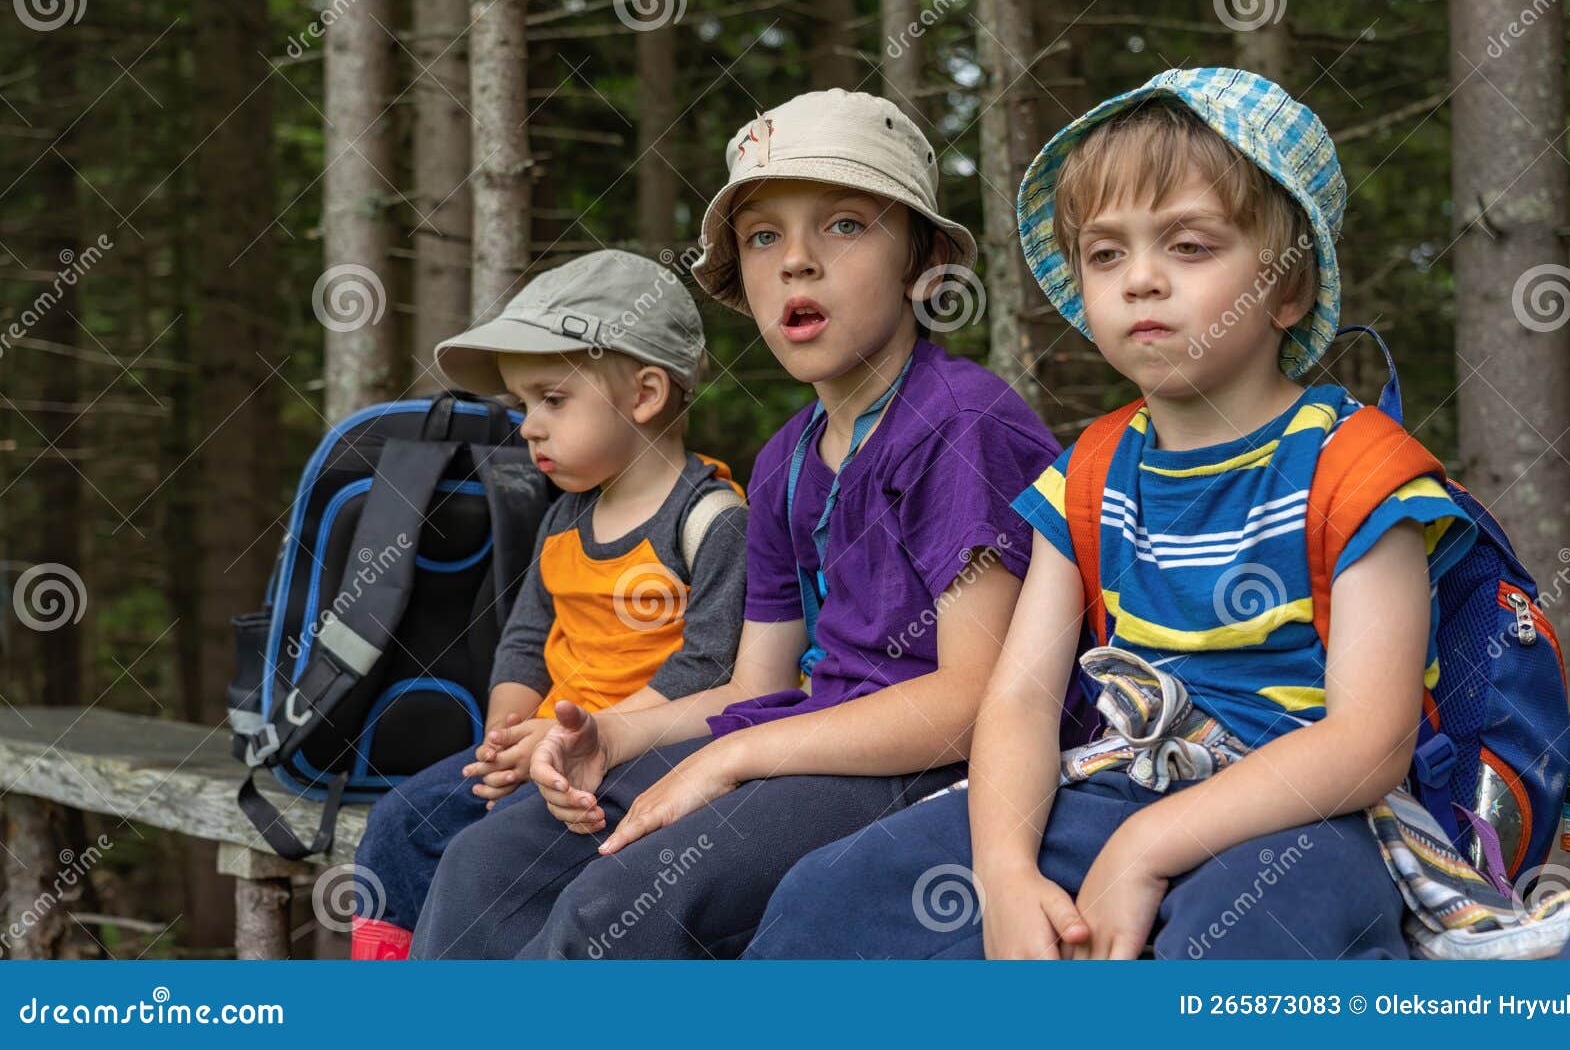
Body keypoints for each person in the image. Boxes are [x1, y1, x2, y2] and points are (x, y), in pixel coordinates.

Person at [745, 67, 1480, 960]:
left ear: (1286, 290)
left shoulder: (1358, 466)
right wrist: (1006, 868)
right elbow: (1018, 696)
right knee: (827, 899)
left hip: (1306, 811)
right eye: (1105, 254)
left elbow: (1368, 743)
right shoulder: (1089, 472)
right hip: (1117, 781)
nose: (1139, 281)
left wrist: (1145, 847)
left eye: (1189, 246)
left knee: (1249, 936)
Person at [408, 88, 1059, 959]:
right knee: (490, 864)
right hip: (806, 740)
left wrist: (732, 758)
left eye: (844, 225)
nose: (796, 261)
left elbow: (972, 701)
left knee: (616, 908)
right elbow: (754, 685)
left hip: (933, 772)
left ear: (925, 260)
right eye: (763, 236)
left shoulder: (964, 423)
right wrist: (619, 732)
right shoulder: (786, 459)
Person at [350, 250, 746, 959]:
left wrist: (584, 737)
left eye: (552, 400)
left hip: (638, 762)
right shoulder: (565, 516)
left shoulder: (711, 519)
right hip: (544, 747)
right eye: (523, 405)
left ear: (646, 393)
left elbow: (711, 669)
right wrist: (508, 727)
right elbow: (528, 634)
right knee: (400, 823)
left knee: (489, 861)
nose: (529, 425)